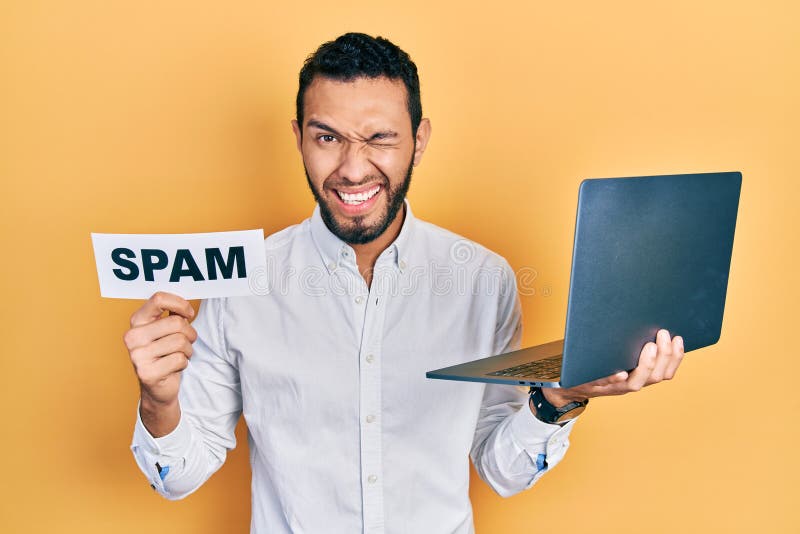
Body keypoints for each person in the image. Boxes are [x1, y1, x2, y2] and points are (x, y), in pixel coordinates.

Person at [123, 32, 684, 534]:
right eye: (328, 138)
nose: (352, 167)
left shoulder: (483, 280)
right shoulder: (239, 284)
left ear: (419, 139)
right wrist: (159, 400)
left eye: (380, 138)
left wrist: (561, 399)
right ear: (298, 138)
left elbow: (502, 470)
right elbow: (177, 476)